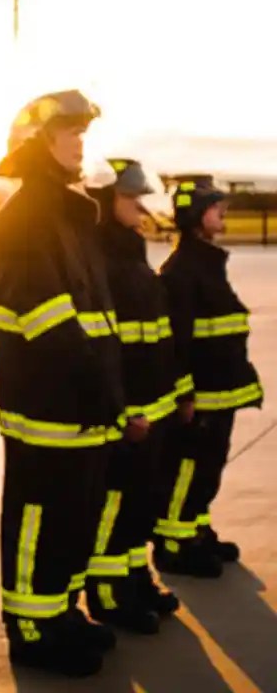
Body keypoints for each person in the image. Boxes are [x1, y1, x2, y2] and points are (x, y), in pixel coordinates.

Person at [0, 90, 129, 677]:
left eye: (80, 134)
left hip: (86, 408)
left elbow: (96, 319)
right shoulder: (24, 221)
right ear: (36, 146)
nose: (79, 143)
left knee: (74, 519)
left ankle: (60, 613)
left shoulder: (68, 220)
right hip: (46, 410)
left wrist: (108, 393)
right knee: (39, 519)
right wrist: (100, 390)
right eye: (67, 134)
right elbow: (49, 323)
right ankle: (30, 628)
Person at [82, 158, 183, 633]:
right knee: (115, 506)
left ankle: (134, 577)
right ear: (103, 201)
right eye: (128, 197)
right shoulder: (100, 260)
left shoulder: (130, 252)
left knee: (141, 502)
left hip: (154, 405)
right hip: (129, 411)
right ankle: (106, 592)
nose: (139, 207)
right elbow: (105, 349)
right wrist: (122, 410)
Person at [154, 177, 262, 578]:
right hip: (200, 396)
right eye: (216, 208)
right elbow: (175, 343)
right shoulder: (182, 271)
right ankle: (173, 544)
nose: (224, 213)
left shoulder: (206, 263)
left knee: (207, 468)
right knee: (186, 469)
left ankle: (196, 530)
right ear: (198, 217)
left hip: (220, 392)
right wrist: (184, 395)